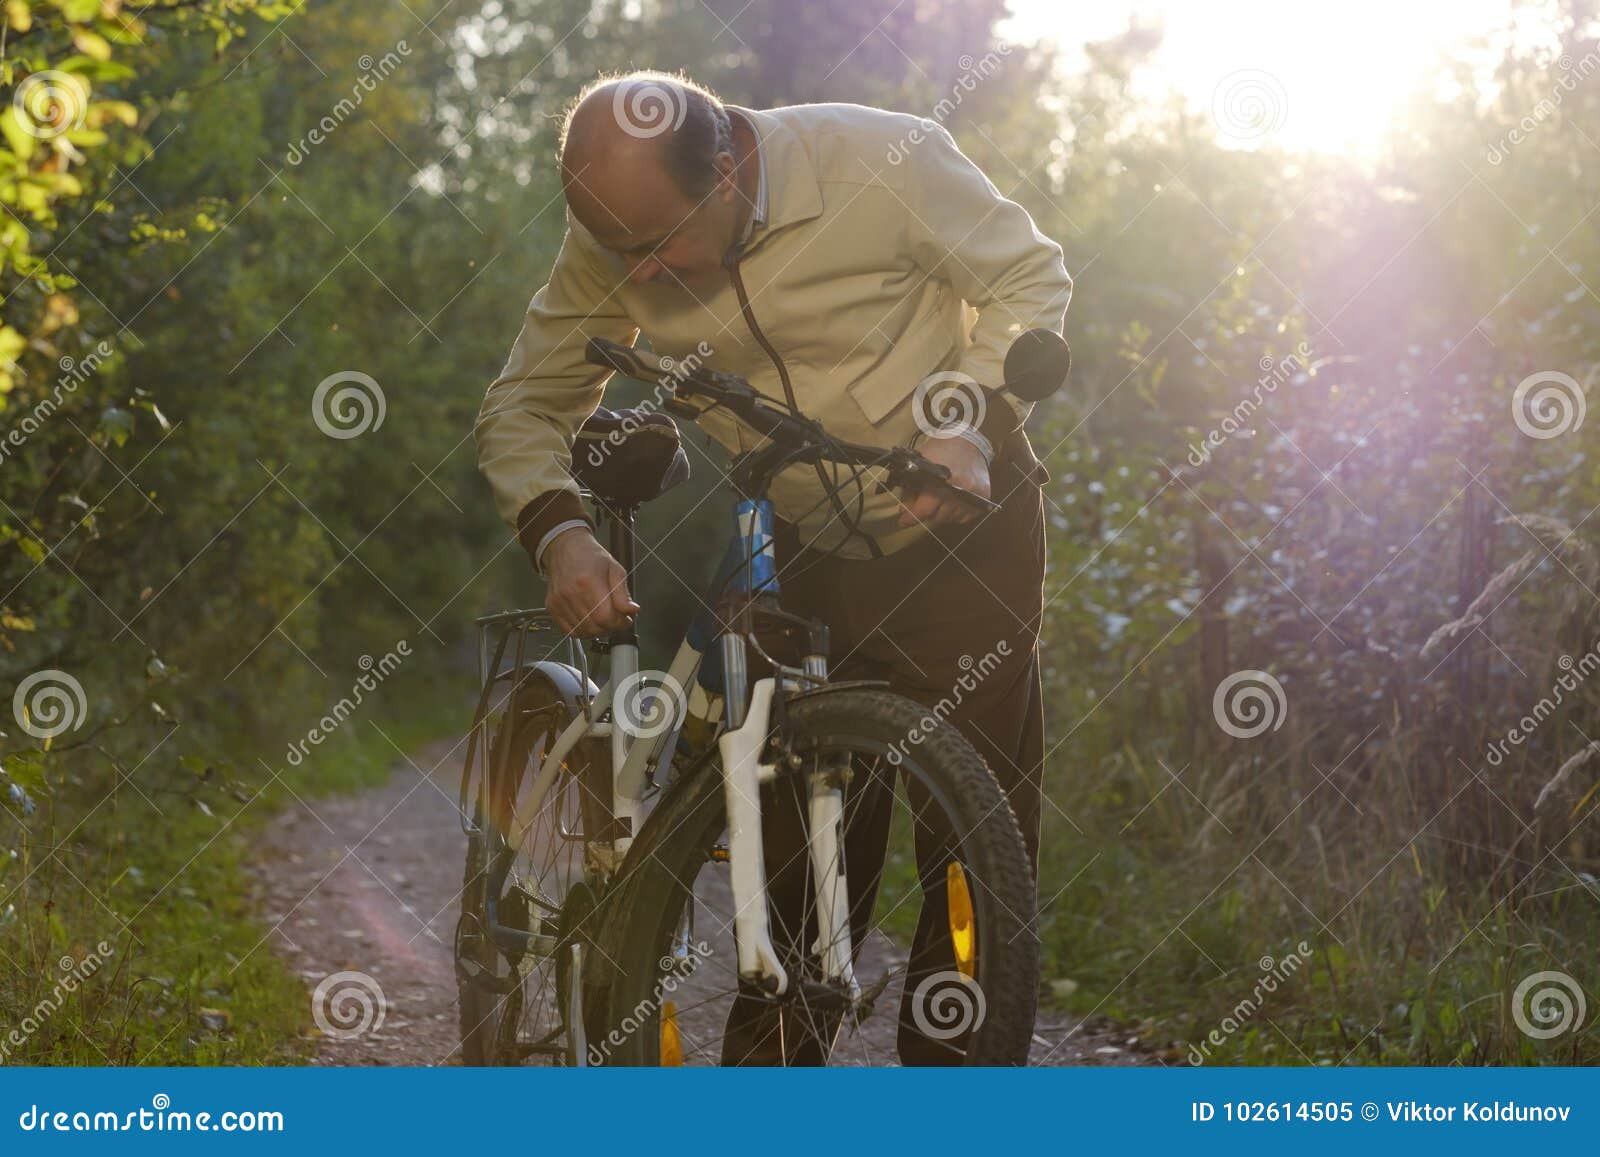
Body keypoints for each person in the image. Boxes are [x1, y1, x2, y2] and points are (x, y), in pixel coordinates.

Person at [474, 70, 1072, 1063]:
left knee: (972, 848)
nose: (643, 276)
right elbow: (526, 402)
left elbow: (1028, 279)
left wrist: (964, 419)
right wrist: (560, 533)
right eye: (619, 251)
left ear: (723, 171)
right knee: (803, 857)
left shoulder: (880, 160)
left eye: (658, 243)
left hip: (963, 524)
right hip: (807, 537)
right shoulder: (619, 241)